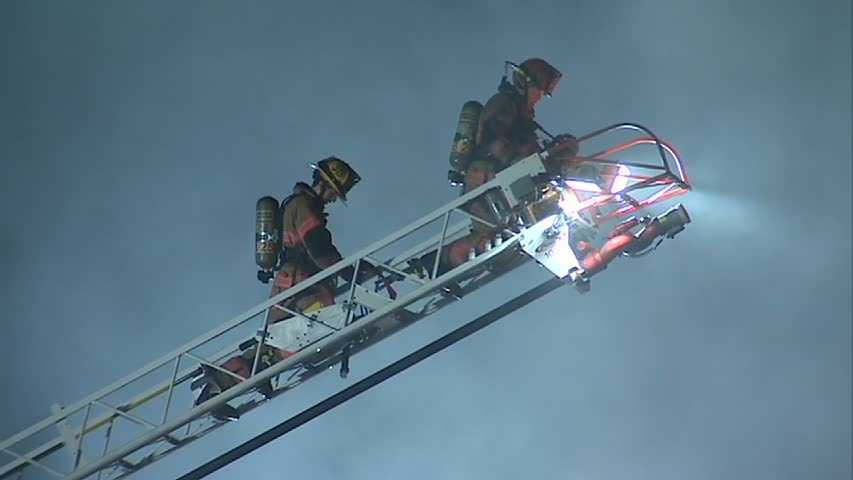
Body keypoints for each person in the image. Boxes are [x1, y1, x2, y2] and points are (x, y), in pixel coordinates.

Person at [192, 157, 364, 420]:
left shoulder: (300, 205)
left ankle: (216, 389)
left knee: (273, 350)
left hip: (293, 285)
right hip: (302, 287)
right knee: (317, 332)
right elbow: (318, 247)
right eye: (333, 193)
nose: (332, 199)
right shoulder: (303, 206)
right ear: (324, 184)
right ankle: (212, 388)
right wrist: (350, 270)